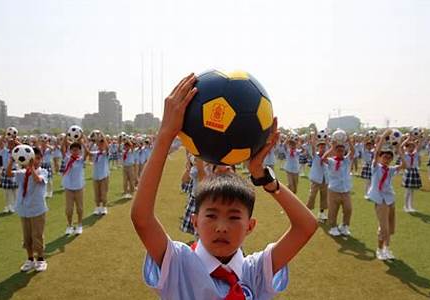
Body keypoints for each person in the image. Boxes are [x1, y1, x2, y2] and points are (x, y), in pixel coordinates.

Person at [131, 73, 317, 299]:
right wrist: (165, 135)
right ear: (195, 222)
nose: (221, 227)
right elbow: (142, 218)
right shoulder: (178, 264)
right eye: (210, 215)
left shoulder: (255, 271)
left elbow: (306, 226)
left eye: (234, 217)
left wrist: (264, 178)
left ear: (250, 226)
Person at [7, 146, 49, 272]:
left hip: (37, 209)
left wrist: (31, 168)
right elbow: (9, 174)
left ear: (41, 159)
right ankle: (30, 259)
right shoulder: (22, 173)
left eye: (37, 158)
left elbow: (37, 180)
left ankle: (41, 259)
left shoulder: (43, 172)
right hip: (23, 209)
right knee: (27, 237)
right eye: (33, 158)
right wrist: (12, 160)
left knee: (37, 235)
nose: (35, 161)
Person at [367, 130, 406, 260]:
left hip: (390, 198)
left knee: (390, 226)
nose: (387, 160)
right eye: (384, 157)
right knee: (384, 227)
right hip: (379, 199)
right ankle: (382, 249)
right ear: (380, 158)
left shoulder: (390, 169)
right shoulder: (376, 167)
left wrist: (399, 148)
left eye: (389, 158)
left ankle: (384, 248)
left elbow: (405, 165)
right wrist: (383, 137)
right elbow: (377, 152)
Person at [322, 134, 355, 237]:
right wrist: (331, 147)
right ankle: (333, 227)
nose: (340, 152)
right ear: (335, 151)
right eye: (338, 150)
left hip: (345, 190)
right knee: (333, 210)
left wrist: (349, 141)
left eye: (342, 150)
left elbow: (353, 152)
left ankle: (344, 226)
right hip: (334, 190)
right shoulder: (332, 161)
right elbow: (323, 158)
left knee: (348, 209)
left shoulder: (346, 160)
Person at [61, 137, 89, 235]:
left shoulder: (81, 160)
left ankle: (80, 225)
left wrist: (82, 143)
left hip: (79, 187)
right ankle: (69, 225)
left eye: (77, 149)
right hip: (69, 188)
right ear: (70, 150)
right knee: (69, 209)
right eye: (73, 149)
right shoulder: (67, 158)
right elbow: (62, 148)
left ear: (79, 151)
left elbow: (87, 152)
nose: (75, 151)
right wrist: (66, 136)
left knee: (79, 208)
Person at [306, 133, 329, 223]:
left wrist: (327, 141)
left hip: (325, 179)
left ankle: (321, 213)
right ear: (318, 148)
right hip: (316, 179)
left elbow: (332, 150)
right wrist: (313, 138)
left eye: (324, 147)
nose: (322, 148)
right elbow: (312, 147)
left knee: (324, 196)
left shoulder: (327, 156)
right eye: (321, 147)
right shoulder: (315, 155)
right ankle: (308, 211)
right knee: (312, 195)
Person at [90, 135, 110, 216]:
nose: (101, 145)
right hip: (95, 176)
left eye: (102, 143)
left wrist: (102, 136)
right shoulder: (95, 153)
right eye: (99, 143)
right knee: (96, 192)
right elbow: (88, 152)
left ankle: (104, 207)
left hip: (104, 176)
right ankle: (97, 207)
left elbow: (107, 148)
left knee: (103, 192)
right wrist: (91, 142)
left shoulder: (105, 153)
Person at [0, 138, 19, 213]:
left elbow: (23, 147)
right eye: (9, 144)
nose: (9, 145)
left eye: (12, 144)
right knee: (6, 191)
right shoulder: (4, 151)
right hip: (5, 171)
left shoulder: (17, 152)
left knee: (15, 190)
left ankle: (15, 206)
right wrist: (5, 135)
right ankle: (7, 206)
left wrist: (15, 140)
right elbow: (0, 143)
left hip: (14, 171)